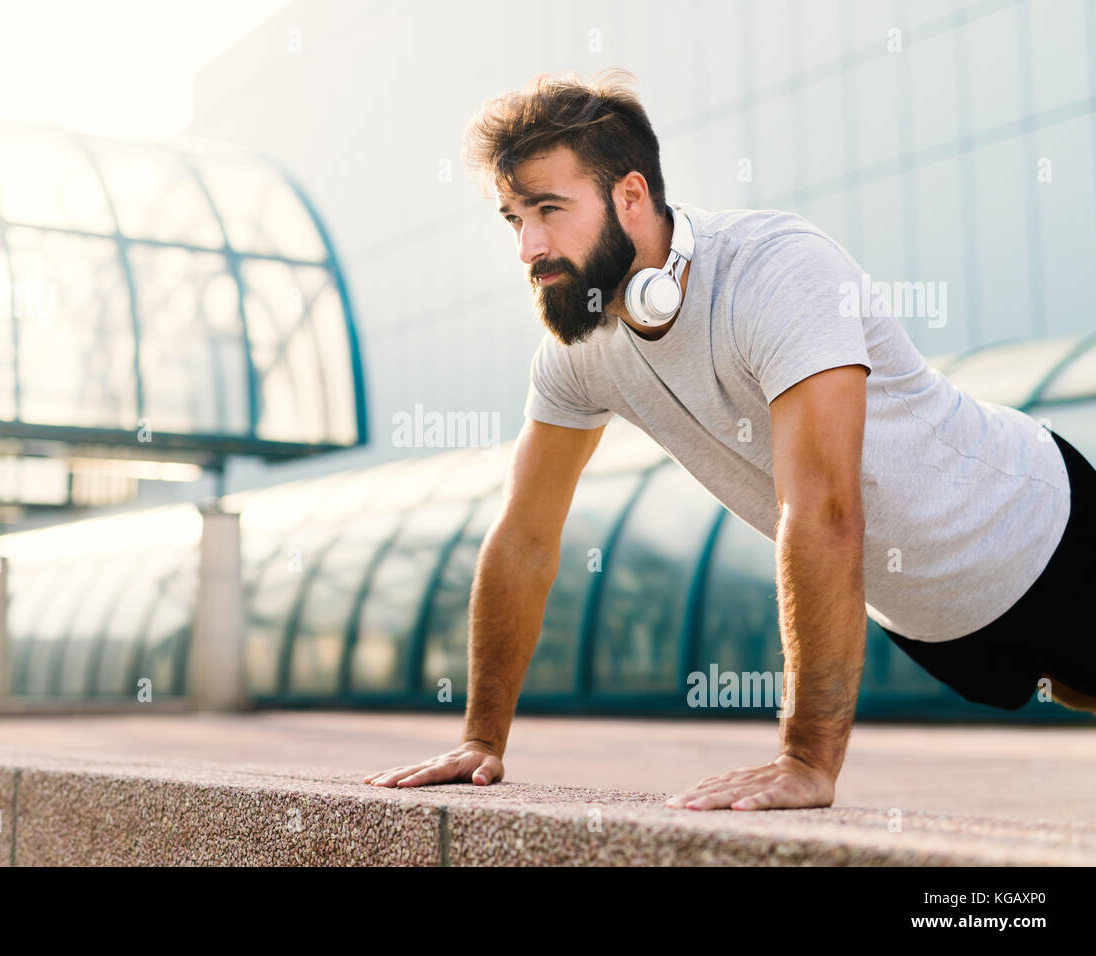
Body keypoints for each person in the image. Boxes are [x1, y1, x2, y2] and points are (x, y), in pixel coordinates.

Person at [362, 68, 1094, 811]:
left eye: (549, 209)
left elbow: (823, 508)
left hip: (1034, 524)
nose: (528, 247)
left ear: (631, 195)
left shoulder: (775, 269)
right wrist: (481, 741)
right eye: (513, 218)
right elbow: (524, 536)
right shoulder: (576, 350)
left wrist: (805, 759)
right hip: (929, 614)